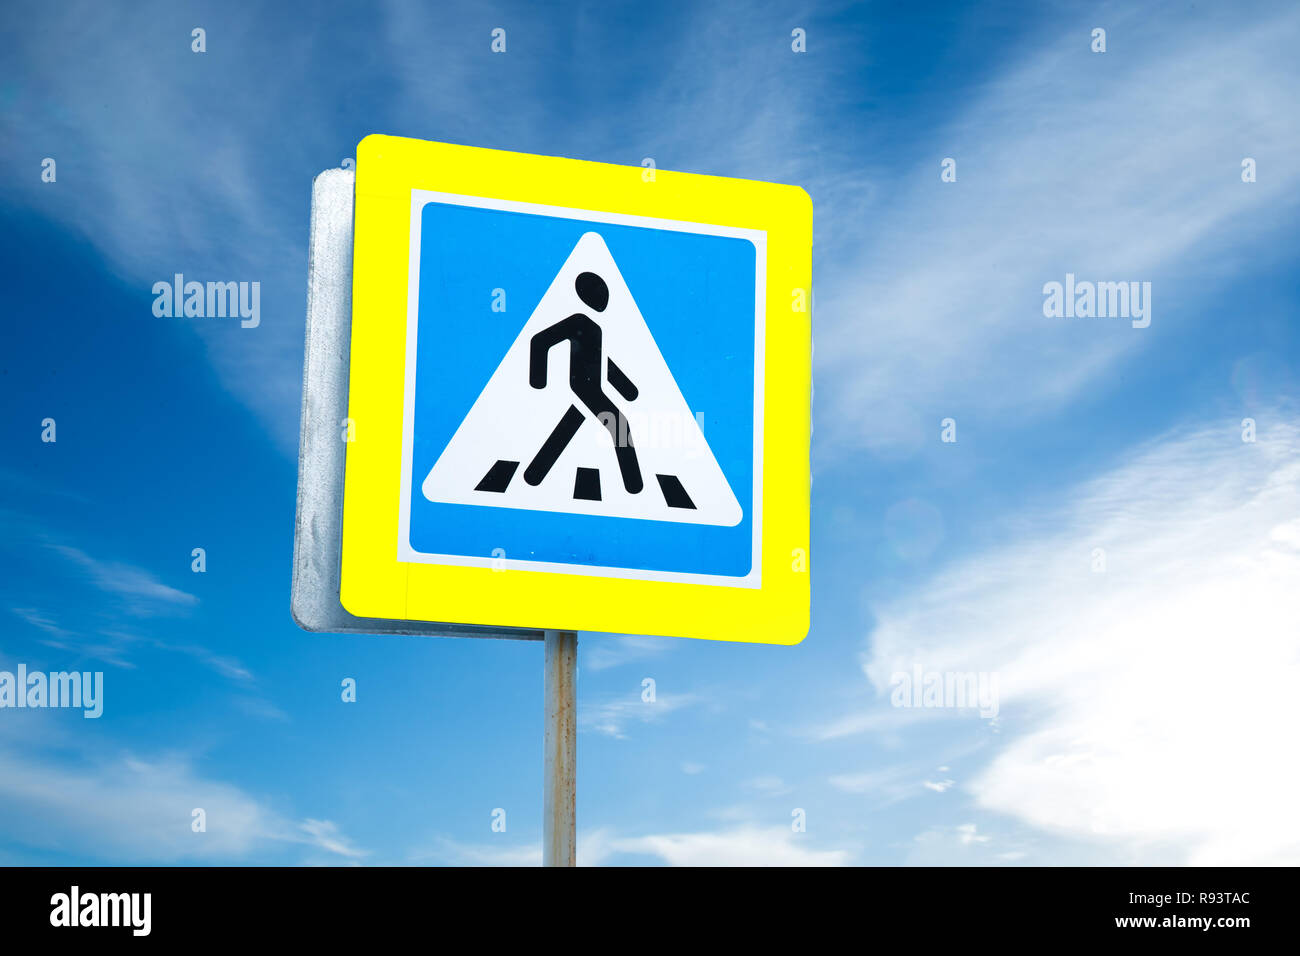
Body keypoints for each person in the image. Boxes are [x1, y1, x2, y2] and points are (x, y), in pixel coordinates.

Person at [524, 271, 643, 494]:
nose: (604, 301)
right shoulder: (578, 322)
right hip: (582, 387)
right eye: (599, 295)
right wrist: (538, 381)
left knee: (568, 427)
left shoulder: (593, 327)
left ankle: (533, 475)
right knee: (619, 426)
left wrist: (627, 389)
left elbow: (601, 360)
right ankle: (635, 486)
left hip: (589, 387)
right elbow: (540, 342)